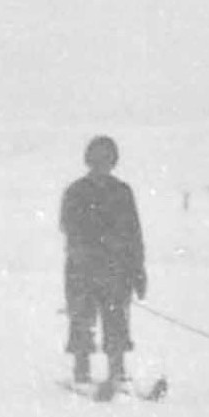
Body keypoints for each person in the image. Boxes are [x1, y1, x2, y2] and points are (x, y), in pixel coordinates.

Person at [60, 135, 147, 385]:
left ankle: (117, 372)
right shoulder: (75, 192)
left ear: (113, 161)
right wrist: (95, 247)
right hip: (82, 271)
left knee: (116, 322)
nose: (102, 164)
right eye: (97, 159)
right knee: (81, 321)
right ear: (89, 161)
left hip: (116, 272)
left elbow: (134, 233)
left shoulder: (122, 192)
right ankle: (81, 371)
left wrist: (138, 270)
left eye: (107, 159)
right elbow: (69, 228)